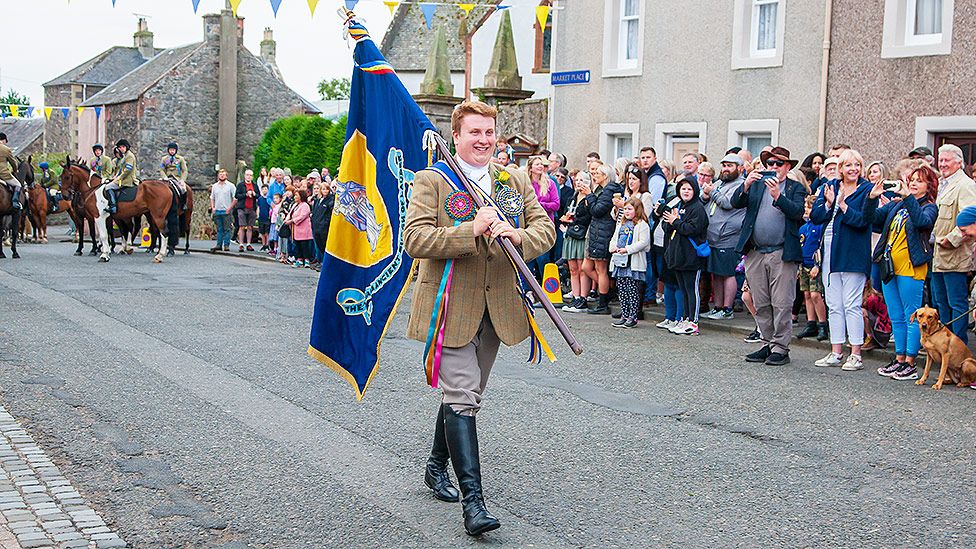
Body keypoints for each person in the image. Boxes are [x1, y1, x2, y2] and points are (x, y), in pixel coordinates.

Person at [403, 100, 554, 537]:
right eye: (474, 132)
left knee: (463, 396)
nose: (484, 140)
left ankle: (435, 466)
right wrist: (469, 230)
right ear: (457, 136)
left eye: (489, 133)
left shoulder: (513, 180)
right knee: (462, 397)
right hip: (449, 305)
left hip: (499, 308)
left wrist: (516, 234)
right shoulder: (432, 180)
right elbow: (415, 239)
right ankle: (475, 504)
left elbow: (546, 230)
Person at [732, 146, 808, 366]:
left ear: (787, 167)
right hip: (756, 252)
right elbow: (735, 203)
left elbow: (797, 213)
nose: (773, 167)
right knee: (761, 301)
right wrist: (745, 185)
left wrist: (778, 196)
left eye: (779, 164)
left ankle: (781, 348)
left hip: (782, 252)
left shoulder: (794, 188)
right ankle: (767, 342)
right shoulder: (756, 186)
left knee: (782, 302)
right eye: (770, 164)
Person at [810, 149, 876, 371]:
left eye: (857, 165)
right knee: (834, 304)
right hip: (830, 250)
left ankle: (855, 354)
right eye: (848, 165)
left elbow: (863, 221)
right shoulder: (831, 186)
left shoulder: (867, 190)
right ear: (840, 169)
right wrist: (829, 203)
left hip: (853, 252)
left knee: (851, 304)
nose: (853, 169)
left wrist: (843, 205)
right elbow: (816, 216)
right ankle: (836, 351)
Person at [930, 144, 976, 345]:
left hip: (955, 254)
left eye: (947, 160)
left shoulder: (965, 184)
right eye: (940, 160)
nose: (942, 164)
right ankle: (944, 347)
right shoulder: (943, 184)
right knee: (941, 303)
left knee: (956, 304)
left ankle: (958, 348)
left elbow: (969, 219)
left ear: (959, 162)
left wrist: (951, 240)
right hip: (938, 255)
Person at [700, 155, 746, 320]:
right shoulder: (719, 183)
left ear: (740, 168)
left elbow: (727, 203)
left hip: (728, 237)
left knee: (728, 273)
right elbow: (705, 200)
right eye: (724, 165)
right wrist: (705, 196)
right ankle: (718, 307)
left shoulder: (741, 185)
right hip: (713, 236)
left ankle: (728, 308)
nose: (725, 169)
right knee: (716, 274)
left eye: (730, 166)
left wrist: (711, 192)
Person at [662, 178, 708, 335]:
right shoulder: (679, 206)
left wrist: (675, 222)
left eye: (689, 189)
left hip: (692, 257)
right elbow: (668, 226)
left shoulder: (698, 208)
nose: (686, 191)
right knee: (683, 289)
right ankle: (685, 319)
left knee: (691, 289)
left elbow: (692, 229)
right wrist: (671, 222)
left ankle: (693, 322)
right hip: (679, 256)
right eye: (683, 189)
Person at [581, 162, 624, 314]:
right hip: (597, 231)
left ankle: (603, 303)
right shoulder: (603, 190)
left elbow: (598, 210)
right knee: (587, 267)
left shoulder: (609, 190)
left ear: (605, 176)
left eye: (597, 173)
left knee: (601, 269)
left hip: (603, 232)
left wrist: (589, 195)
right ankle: (608, 291)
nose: (594, 175)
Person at [610, 197, 651, 328]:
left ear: (637, 210)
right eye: (625, 209)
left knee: (632, 290)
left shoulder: (642, 224)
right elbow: (615, 237)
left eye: (629, 209)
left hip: (632, 263)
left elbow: (644, 243)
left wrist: (627, 249)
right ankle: (624, 314)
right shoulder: (621, 223)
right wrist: (613, 247)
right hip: (620, 261)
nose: (626, 211)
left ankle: (632, 316)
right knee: (621, 289)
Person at [796, 195, 828, 341]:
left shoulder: (820, 226)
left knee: (816, 295)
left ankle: (822, 324)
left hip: (815, 265)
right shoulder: (803, 227)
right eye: (806, 207)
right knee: (807, 294)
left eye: (809, 208)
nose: (806, 210)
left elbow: (822, 247)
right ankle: (811, 323)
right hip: (804, 264)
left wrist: (818, 265)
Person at [559, 171, 592, 313]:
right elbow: (567, 212)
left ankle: (583, 298)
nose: (578, 182)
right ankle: (575, 296)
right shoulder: (572, 197)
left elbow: (589, 216)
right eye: (576, 180)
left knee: (581, 268)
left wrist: (573, 219)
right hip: (571, 234)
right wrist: (566, 218)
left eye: (581, 180)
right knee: (572, 268)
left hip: (582, 235)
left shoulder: (589, 198)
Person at [526, 155, 560, 280]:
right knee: (528, 259)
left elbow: (556, 204)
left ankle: (544, 289)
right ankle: (528, 290)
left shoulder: (550, 183)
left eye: (542, 164)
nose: (540, 166)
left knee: (543, 258)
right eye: (537, 164)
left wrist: (538, 205)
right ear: (530, 168)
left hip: (545, 224)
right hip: (528, 225)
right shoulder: (526, 183)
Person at [104, 139, 137, 214]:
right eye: (119, 147)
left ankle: (113, 207)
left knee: (108, 187)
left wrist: (118, 178)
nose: (120, 149)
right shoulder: (125, 156)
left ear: (126, 147)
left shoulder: (129, 156)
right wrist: (115, 176)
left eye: (122, 147)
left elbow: (127, 170)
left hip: (127, 180)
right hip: (122, 178)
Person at [285, 188, 313, 268]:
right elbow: (290, 213)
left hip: (304, 229)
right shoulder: (295, 205)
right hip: (296, 229)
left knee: (304, 245)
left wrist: (292, 221)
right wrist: (286, 220)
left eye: (296, 195)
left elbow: (302, 216)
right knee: (297, 245)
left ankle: (307, 260)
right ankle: (299, 259)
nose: (295, 197)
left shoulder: (305, 205)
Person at [209, 169, 236, 252]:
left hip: (226, 210)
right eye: (220, 174)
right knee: (219, 229)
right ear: (218, 176)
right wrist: (213, 207)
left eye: (223, 174)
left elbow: (235, 198)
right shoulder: (214, 186)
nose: (222, 176)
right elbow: (212, 198)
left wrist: (230, 208)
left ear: (226, 176)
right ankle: (219, 244)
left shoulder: (231, 186)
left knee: (227, 228)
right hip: (217, 210)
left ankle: (226, 245)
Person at [310, 180, 334, 271]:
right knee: (319, 244)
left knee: (324, 244)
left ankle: (324, 263)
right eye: (323, 189)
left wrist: (324, 223)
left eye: (327, 189)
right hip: (316, 226)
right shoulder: (317, 200)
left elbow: (328, 214)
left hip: (323, 227)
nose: (325, 191)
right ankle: (320, 262)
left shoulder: (330, 200)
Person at [235, 169, 259, 252]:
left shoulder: (254, 185)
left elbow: (258, 195)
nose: (249, 177)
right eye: (247, 175)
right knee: (242, 226)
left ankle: (248, 244)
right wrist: (245, 194)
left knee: (250, 227)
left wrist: (254, 194)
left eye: (250, 175)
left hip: (252, 208)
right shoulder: (240, 185)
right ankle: (241, 244)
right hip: (242, 207)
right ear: (245, 176)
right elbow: (237, 195)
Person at [0, 133, 21, 209]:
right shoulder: (6, 149)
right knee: (18, 185)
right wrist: (15, 170)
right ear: (4, 140)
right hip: (3, 174)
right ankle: (15, 202)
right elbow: (13, 162)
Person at [257, 184, 272, 251]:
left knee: (267, 232)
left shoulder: (269, 199)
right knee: (262, 232)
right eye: (263, 189)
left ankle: (267, 244)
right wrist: (257, 215)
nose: (264, 190)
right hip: (261, 217)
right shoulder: (260, 199)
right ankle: (263, 245)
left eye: (266, 189)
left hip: (267, 217)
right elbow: (258, 207)